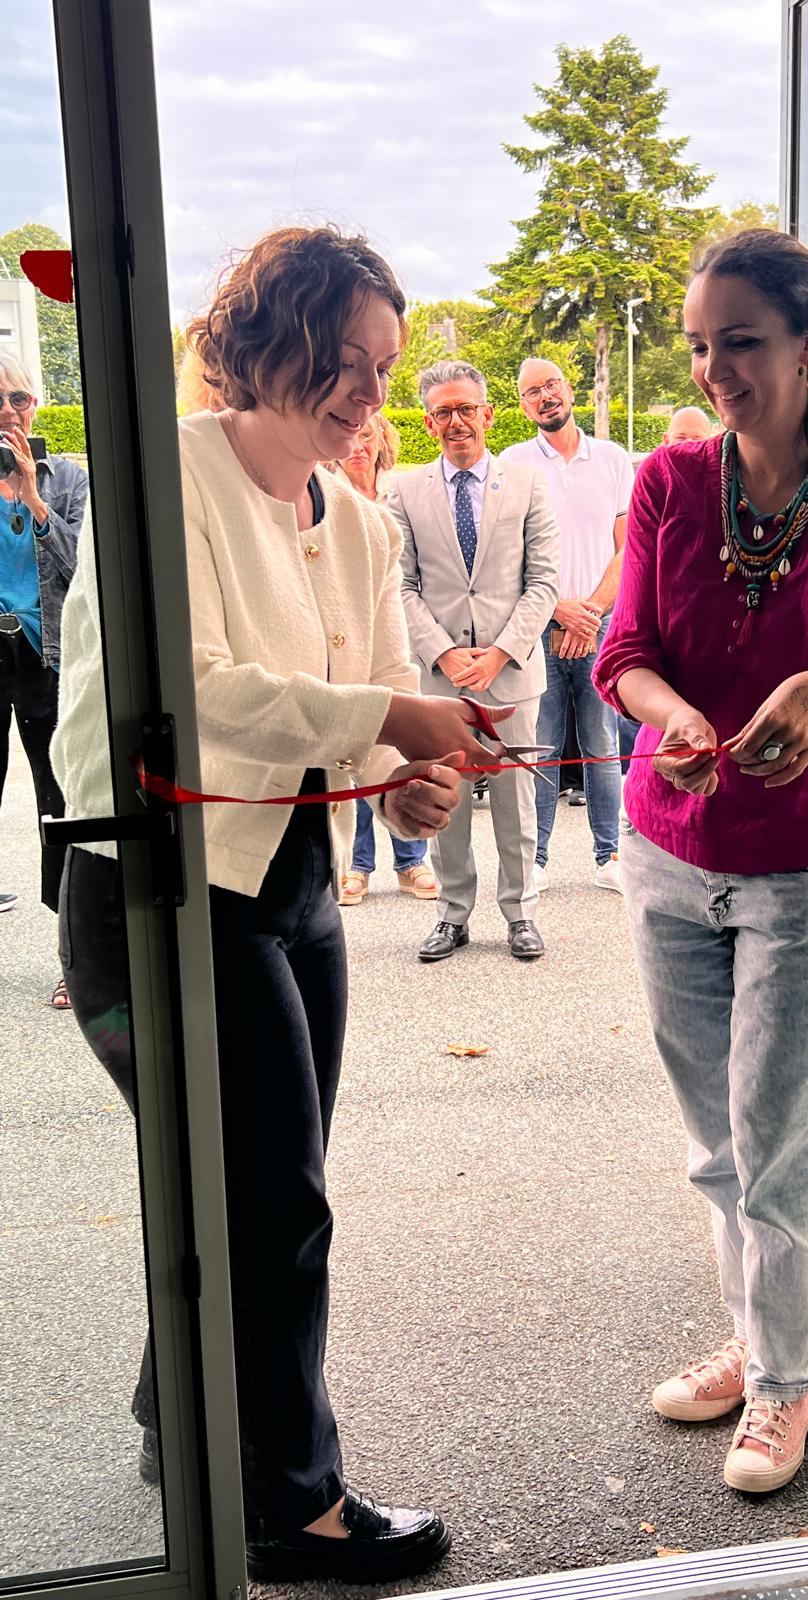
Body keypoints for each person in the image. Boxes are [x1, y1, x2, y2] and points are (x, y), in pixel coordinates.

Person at [52, 225, 504, 1584]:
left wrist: (407, 784)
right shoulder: (165, 477)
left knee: (248, 1181)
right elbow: (185, 696)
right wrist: (395, 719)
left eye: (383, 366)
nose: (369, 390)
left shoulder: (360, 521)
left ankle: (172, 1412)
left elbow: (361, 735)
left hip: (291, 884)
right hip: (151, 879)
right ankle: (290, 1506)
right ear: (262, 341)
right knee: (274, 1197)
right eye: (343, 357)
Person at [594, 228, 808, 1494]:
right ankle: (757, 1342)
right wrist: (666, 713)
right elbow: (621, 651)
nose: (713, 368)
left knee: (780, 1139)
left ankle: (785, 1390)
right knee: (715, 1144)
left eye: (740, 340)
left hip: (802, 872)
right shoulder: (668, 483)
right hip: (669, 854)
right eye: (699, 344)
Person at [388, 360, 558, 961]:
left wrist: (500, 654)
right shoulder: (404, 489)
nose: (455, 422)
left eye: (465, 409)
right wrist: (445, 651)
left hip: (510, 671)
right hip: (438, 675)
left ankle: (521, 912)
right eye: (442, 413)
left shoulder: (530, 484)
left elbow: (543, 581)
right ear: (429, 423)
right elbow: (400, 585)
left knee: (515, 798)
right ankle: (453, 912)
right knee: (442, 792)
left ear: (487, 413)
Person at [501, 360, 633, 894]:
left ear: (569, 388)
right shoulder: (512, 464)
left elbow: (630, 548)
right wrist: (557, 610)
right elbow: (509, 554)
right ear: (524, 406)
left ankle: (610, 857)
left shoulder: (613, 459)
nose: (544, 397)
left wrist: (592, 613)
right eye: (531, 391)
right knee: (542, 744)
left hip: (600, 626)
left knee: (603, 743)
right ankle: (536, 861)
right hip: (538, 627)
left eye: (550, 385)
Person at [0, 355, 88, 1004]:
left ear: (37, 406)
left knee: (57, 805)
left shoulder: (69, 480)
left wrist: (31, 498)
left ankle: (74, 956)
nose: (8, 412)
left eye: (19, 399)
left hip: (46, 656)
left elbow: (85, 561)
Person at [335, 415, 439, 904]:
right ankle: (357, 866)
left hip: (402, 635)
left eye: (368, 436)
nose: (358, 446)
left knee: (396, 748)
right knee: (352, 748)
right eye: (351, 437)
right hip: (347, 637)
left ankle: (411, 862)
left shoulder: (399, 494)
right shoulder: (324, 494)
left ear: (382, 441)